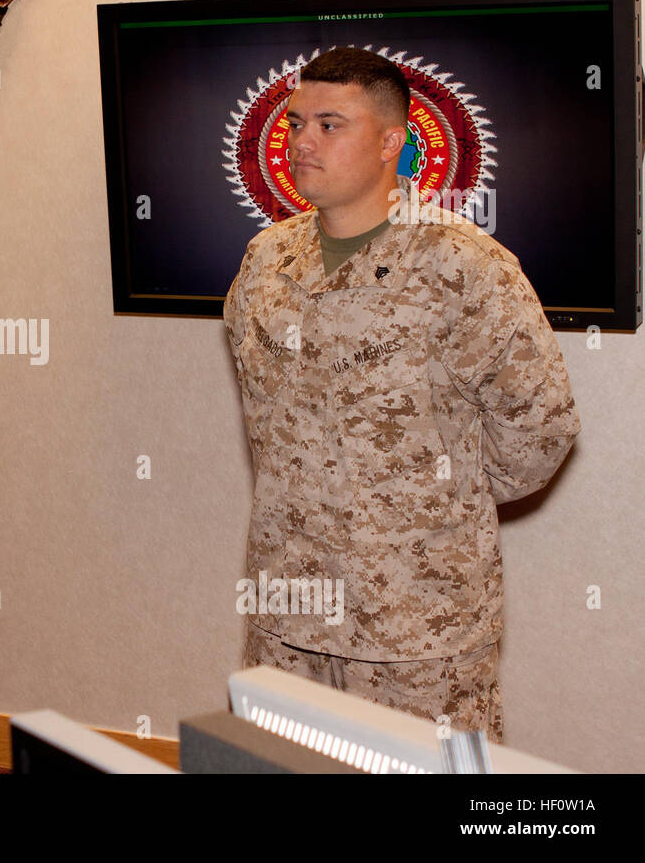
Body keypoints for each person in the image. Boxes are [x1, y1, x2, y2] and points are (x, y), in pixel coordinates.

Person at [224, 46, 579, 744]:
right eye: (295, 123)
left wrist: (423, 506)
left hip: (417, 625)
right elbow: (269, 418)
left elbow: (541, 431)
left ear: (392, 141)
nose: (301, 142)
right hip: (288, 608)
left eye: (330, 125)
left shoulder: (464, 266)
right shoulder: (266, 262)